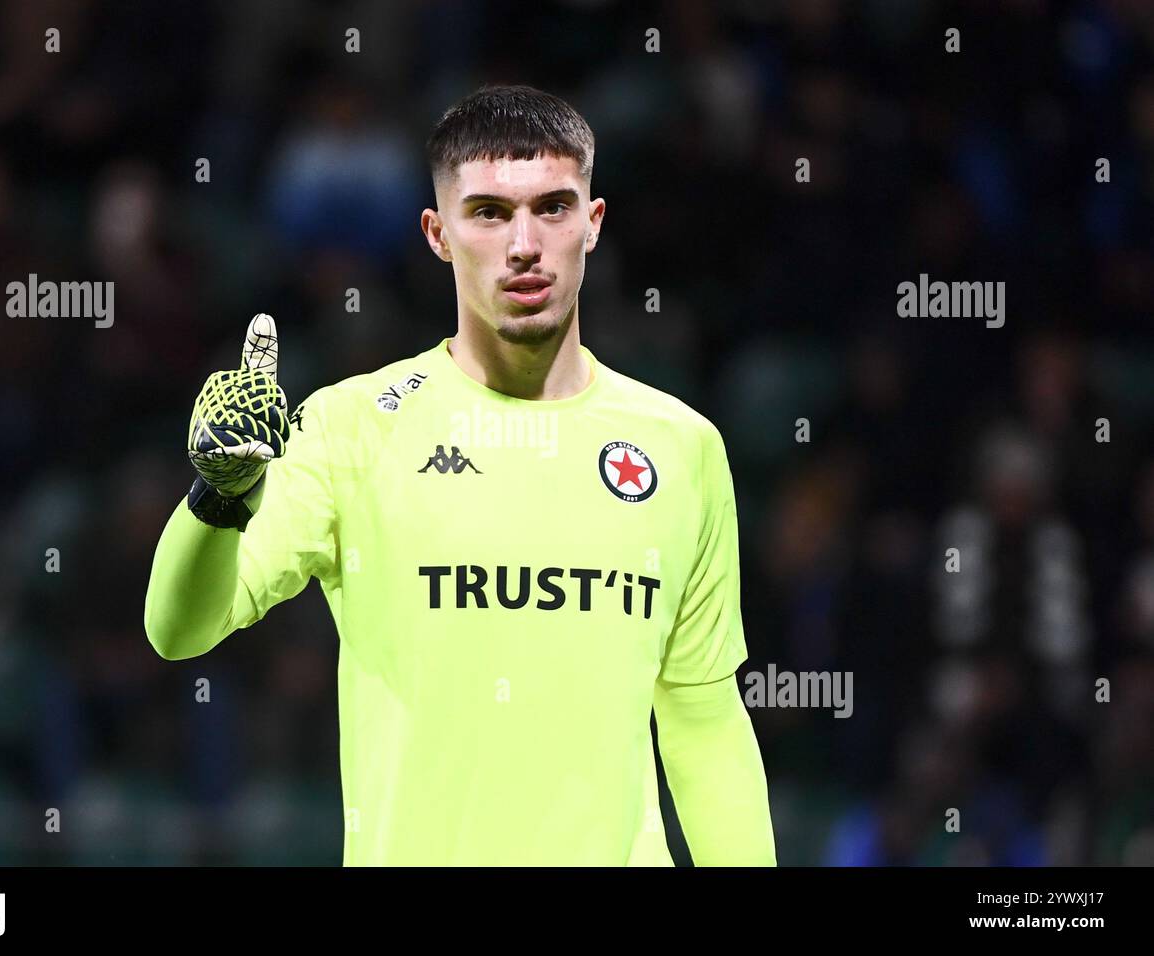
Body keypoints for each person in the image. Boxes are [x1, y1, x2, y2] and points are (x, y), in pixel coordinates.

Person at [144, 84, 776, 866]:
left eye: (552, 207)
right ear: (438, 233)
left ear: (594, 222)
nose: (524, 244)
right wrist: (218, 498)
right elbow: (179, 630)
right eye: (488, 213)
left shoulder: (682, 448)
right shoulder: (353, 425)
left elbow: (705, 718)